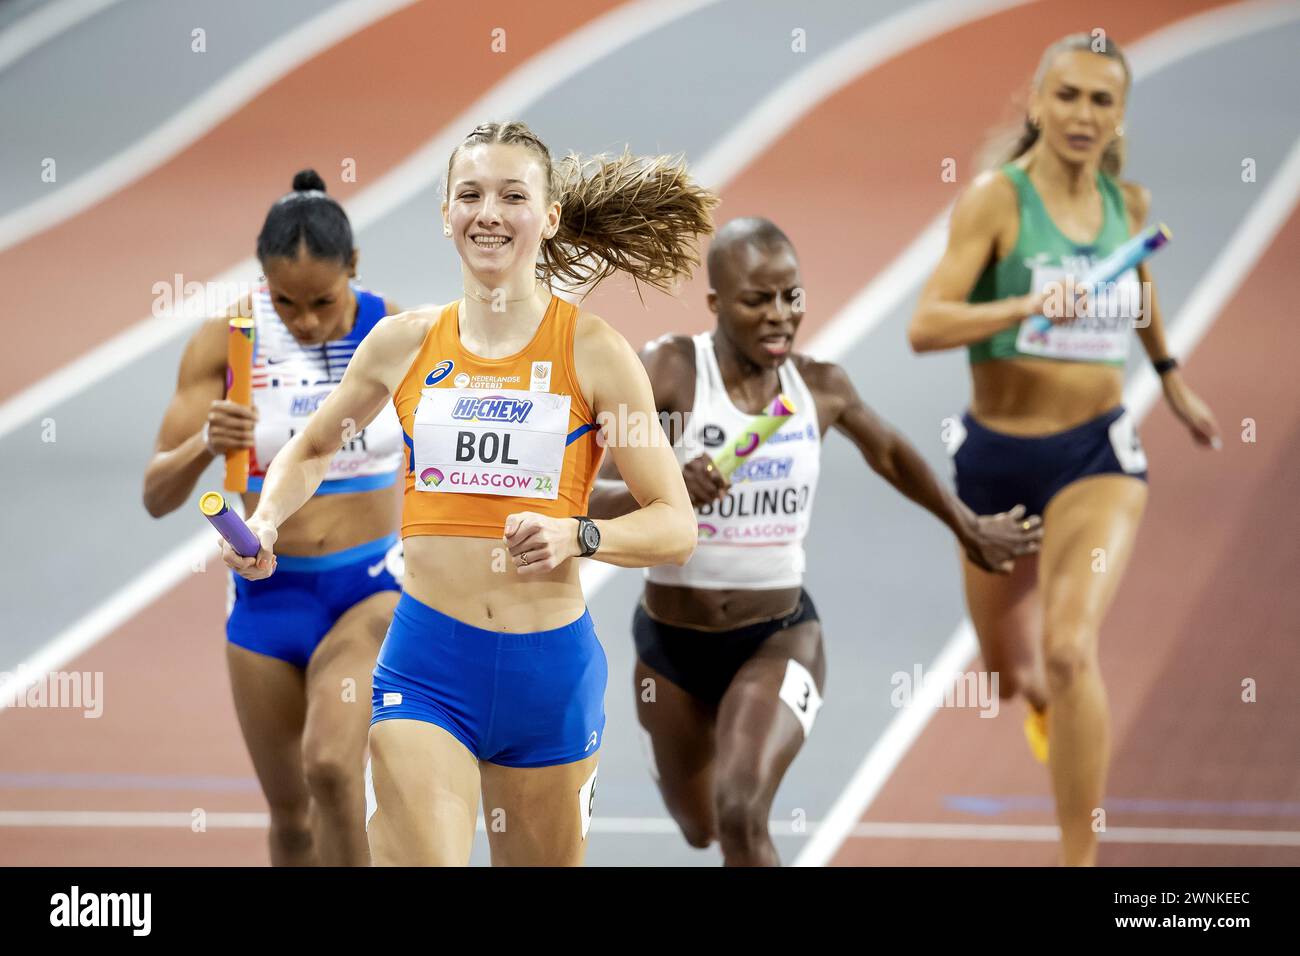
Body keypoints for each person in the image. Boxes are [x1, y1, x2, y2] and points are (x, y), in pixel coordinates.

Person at [224, 122, 717, 866]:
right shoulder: (403, 342)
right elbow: (317, 446)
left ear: (547, 218)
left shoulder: (595, 352)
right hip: (427, 665)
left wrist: (578, 534)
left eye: (512, 196)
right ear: (446, 214)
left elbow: (674, 525)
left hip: (547, 671)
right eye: (471, 194)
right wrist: (265, 518)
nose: (489, 212)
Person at [587, 216, 1042, 866]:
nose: (779, 315)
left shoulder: (818, 387)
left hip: (777, 637)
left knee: (742, 813)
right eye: (756, 299)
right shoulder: (672, 373)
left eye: (791, 296)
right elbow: (584, 499)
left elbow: (888, 452)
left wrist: (967, 526)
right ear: (715, 304)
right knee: (701, 826)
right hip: (670, 647)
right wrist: (664, 489)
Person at [908, 34, 1220, 865]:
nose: (1084, 114)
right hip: (994, 464)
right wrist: (1024, 307)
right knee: (1007, 675)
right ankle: (1042, 700)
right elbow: (924, 326)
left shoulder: (1129, 203)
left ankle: (1077, 858)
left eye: (1102, 100)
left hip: (1097, 455)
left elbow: (1137, 282)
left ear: (1120, 115)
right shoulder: (994, 203)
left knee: (1072, 647)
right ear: (1039, 102)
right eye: (1069, 96)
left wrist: (1171, 375)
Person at [144, 169, 407, 865]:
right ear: (261, 281)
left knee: (331, 767)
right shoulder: (226, 342)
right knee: (291, 820)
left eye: (323, 300)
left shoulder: (395, 332)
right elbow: (156, 496)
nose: (307, 321)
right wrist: (207, 443)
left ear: (354, 266)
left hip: (371, 589)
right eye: (285, 302)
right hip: (264, 599)